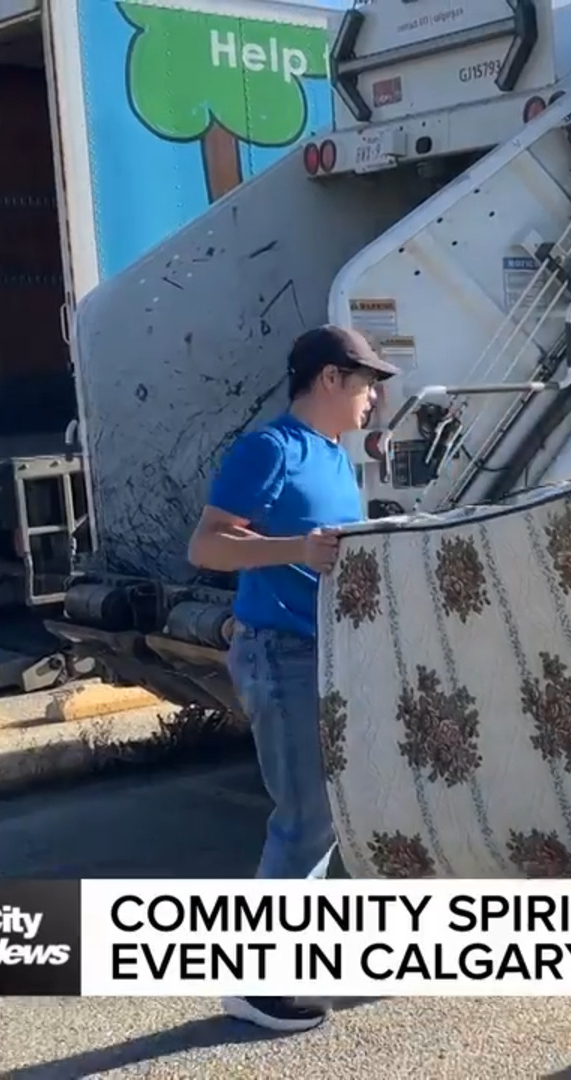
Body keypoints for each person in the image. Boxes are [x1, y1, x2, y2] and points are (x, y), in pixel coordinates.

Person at [187, 324, 396, 1033]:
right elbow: (207, 545)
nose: (373, 398)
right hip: (280, 655)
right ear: (329, 378)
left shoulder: (334, 458)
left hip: (325, 655)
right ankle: (261, 986)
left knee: (328, 818)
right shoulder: (270, 449)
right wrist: (296, 549)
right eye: (366, 383)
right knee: (305, 819)